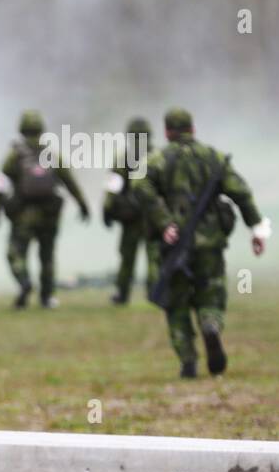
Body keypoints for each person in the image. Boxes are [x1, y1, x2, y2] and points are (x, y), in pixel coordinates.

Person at [132, 107, 269, 378]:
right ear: (193, 129)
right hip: (211, 242)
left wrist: (164, 222)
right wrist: (256, 228)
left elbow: (139, 186)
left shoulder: (158, 159)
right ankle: (210, 324)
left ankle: (188, 361)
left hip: (174, 243)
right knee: (211, 293)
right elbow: (240, 192)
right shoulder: (214, 158)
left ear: (167, 131)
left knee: (176, 302)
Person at [0, 110, 90, 309]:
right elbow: (70, 182)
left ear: (22, 129)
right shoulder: (51, 154)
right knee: (47, 256)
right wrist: (83, 205)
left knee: (16, 253)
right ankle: (47, 297)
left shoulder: (15, 155)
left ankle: (24, 281)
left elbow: (1, 185)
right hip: (49, 215)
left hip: (23, 215)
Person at [103, 116, 153, 304]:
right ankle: (154, 292)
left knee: (127, 259)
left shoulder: (124, 158)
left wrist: (107, 210)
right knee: (154, 257)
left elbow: (113, 187)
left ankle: (122, 295)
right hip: (153, 217)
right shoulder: (158, 156)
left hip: (131, 218)